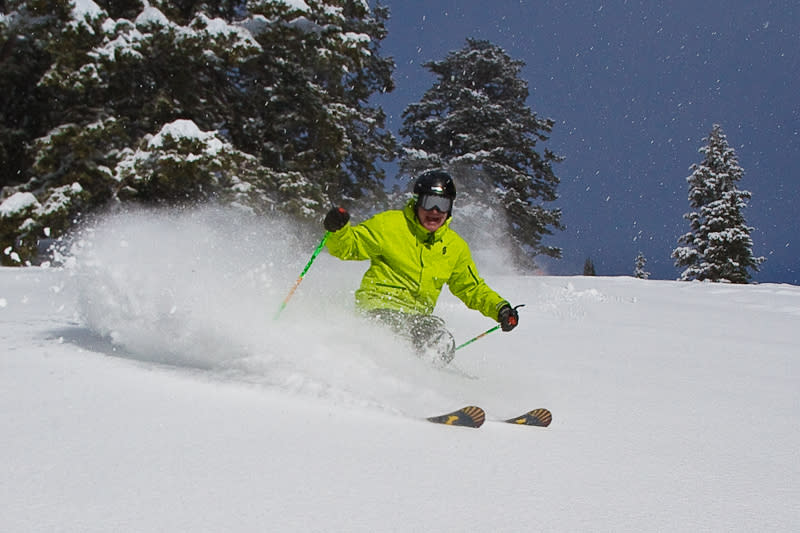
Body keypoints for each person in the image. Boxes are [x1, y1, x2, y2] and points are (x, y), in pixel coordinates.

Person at [322, 169, 519, 365]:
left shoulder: (455, 247)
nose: (434, 211)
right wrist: (339, 230)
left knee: (437, 336)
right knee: (397, 329)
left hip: (419, 318)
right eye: (428, 202)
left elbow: (471, 287)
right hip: (379, 306)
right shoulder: (390, 225)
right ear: (417, 202)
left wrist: (499, 309)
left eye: (441, 204)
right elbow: (349, 247)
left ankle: (425, 377)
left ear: (449, 208)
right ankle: (378, 365)